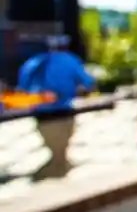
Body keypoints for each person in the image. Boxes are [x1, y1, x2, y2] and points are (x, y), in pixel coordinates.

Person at [18, 34, 96, 179]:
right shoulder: (70, 61)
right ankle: (53, 179)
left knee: (55, 150)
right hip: (63, 111)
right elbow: (88, 83)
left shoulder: (34, 62)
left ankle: (53, 178)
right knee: (61, 152)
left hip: (41, 112)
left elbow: (23, 87)